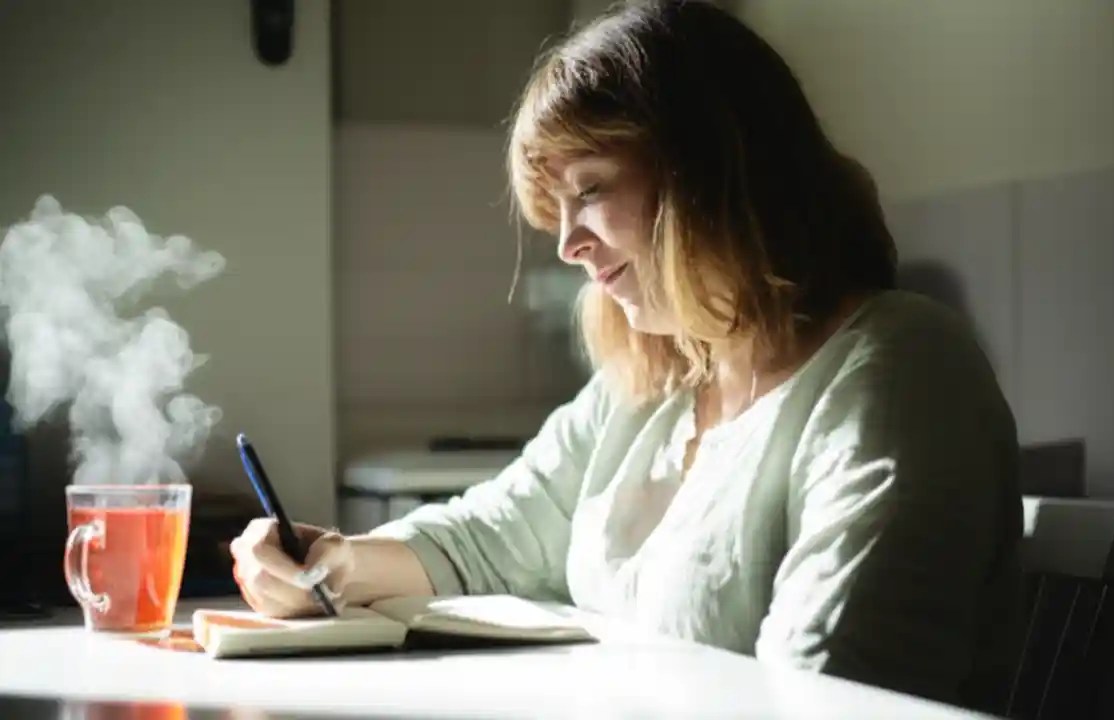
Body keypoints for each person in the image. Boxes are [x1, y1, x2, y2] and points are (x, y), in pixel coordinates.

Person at [230, 0, 1022, 710]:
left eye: (593, 190)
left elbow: (822, 692)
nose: (569, 244)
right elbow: (493, 537)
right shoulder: (661, 379)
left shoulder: (898, 371)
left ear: (708, 171)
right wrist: (325, 566)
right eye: (560, 207)